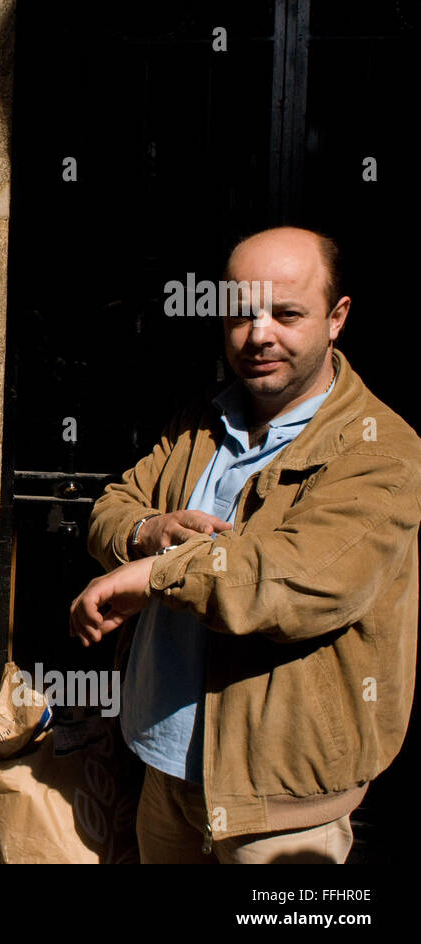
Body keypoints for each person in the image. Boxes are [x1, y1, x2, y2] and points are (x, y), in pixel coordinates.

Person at [71, 227, 421, 863]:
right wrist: (149, 531)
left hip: (279, 807)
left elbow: (294, 583)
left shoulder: (379, 448)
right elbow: (112, 505)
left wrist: (153, 575)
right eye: (241, 314)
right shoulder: (205, 419)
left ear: (337, 318)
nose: (260, 335)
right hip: (165, 768)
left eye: (287, 314)